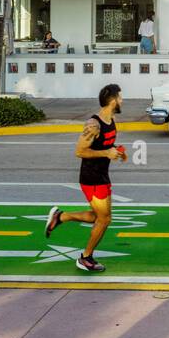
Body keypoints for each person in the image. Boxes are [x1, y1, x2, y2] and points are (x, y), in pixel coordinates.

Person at [44, 83, 128, 273]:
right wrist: (107, 153)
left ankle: (60, 217)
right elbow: (80, 151)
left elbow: (104, 145)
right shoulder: (94, 124)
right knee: (104, 220)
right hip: (92, 177)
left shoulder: (111, 120)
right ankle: (85, 258)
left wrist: (118, 152)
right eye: (121, 97)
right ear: (113, 100)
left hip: (101, 175)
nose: (123, 101)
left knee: (98, 217)